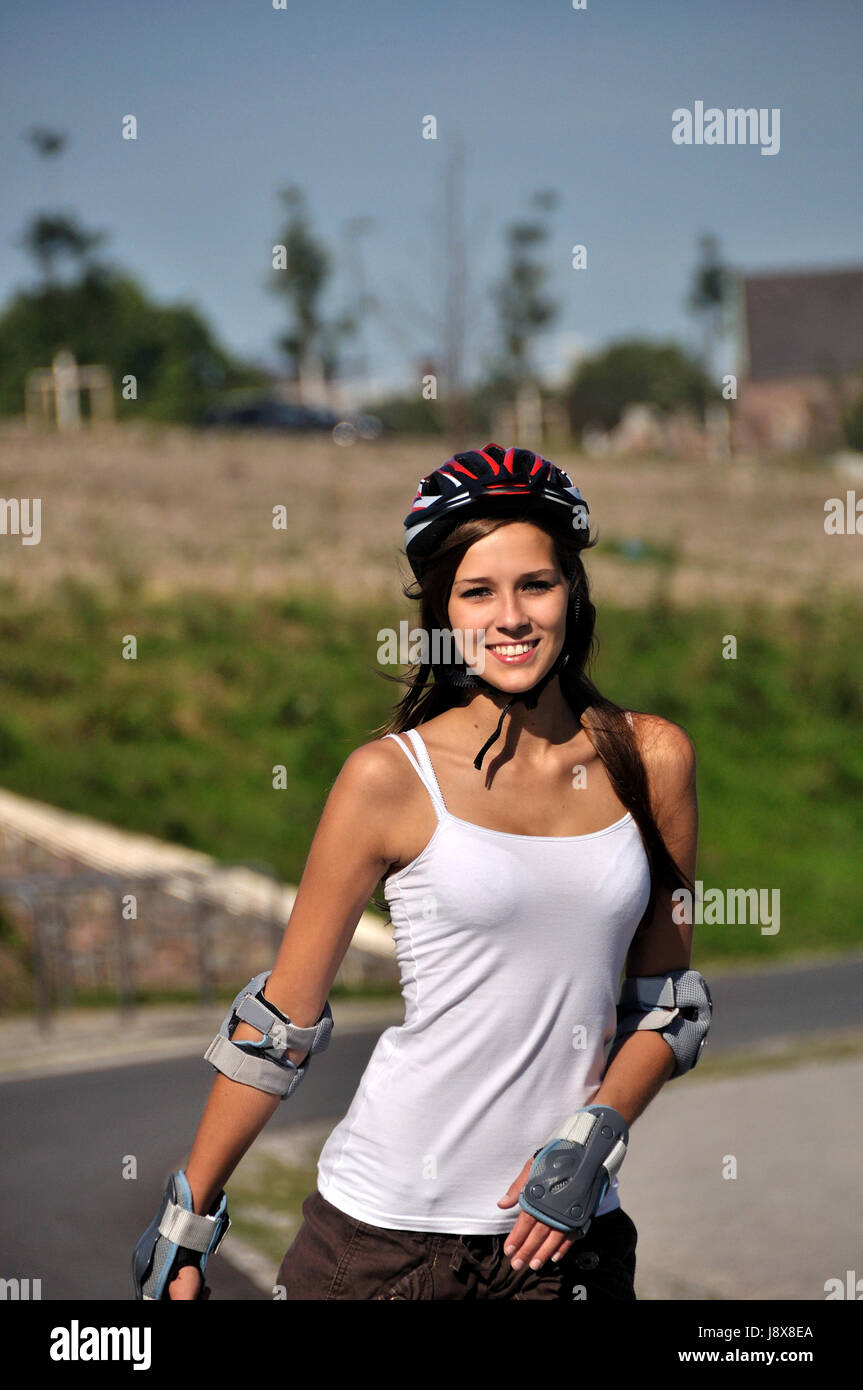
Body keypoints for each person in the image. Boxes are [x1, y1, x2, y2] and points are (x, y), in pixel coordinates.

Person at [142, 442, 701, 1301]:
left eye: (535, 585)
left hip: (561, 1243)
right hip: (381, 1244)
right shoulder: (388, 779)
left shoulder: (650, 759)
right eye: (477, 592)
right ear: (442, 612)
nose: (509, 617)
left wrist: (594, 1133)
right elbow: (278, 1025)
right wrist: (188, 1221)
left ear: (573, 593)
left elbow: (665, 1008)